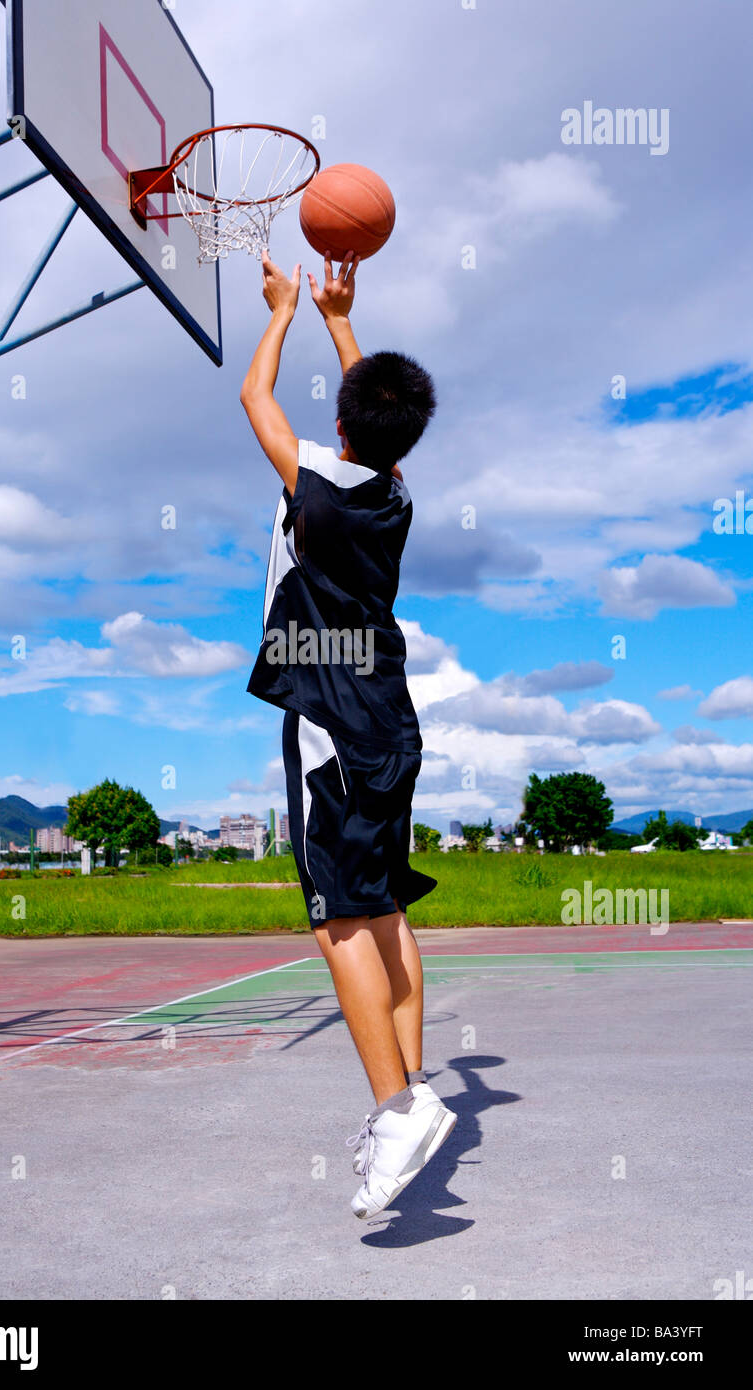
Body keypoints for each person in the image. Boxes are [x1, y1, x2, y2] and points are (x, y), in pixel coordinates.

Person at [240, 248, 455, 1219]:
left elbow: (253, 394)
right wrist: (339, 321)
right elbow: (371, 428)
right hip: (390, 721)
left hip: (329, 719)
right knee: (384, 912)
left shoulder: (315, 486)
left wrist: (287, 310)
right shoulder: (394, 495)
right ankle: (415, 1088)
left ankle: (393, 1104)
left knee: (336, 921)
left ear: (340, 423)